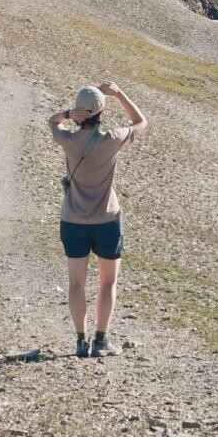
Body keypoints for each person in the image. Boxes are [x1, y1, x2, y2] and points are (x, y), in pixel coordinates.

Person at [47, 80, 147, 358]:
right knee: (107, 282)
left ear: (81, 114)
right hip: (106, 219)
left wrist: (68, 115)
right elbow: (141, 121)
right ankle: (100, 341)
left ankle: (80, 341)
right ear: (101, 112)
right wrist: (117, 93)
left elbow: (51, 121)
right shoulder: (112, 139)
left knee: (76, 284)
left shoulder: (66, 139)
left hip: (73, 219)